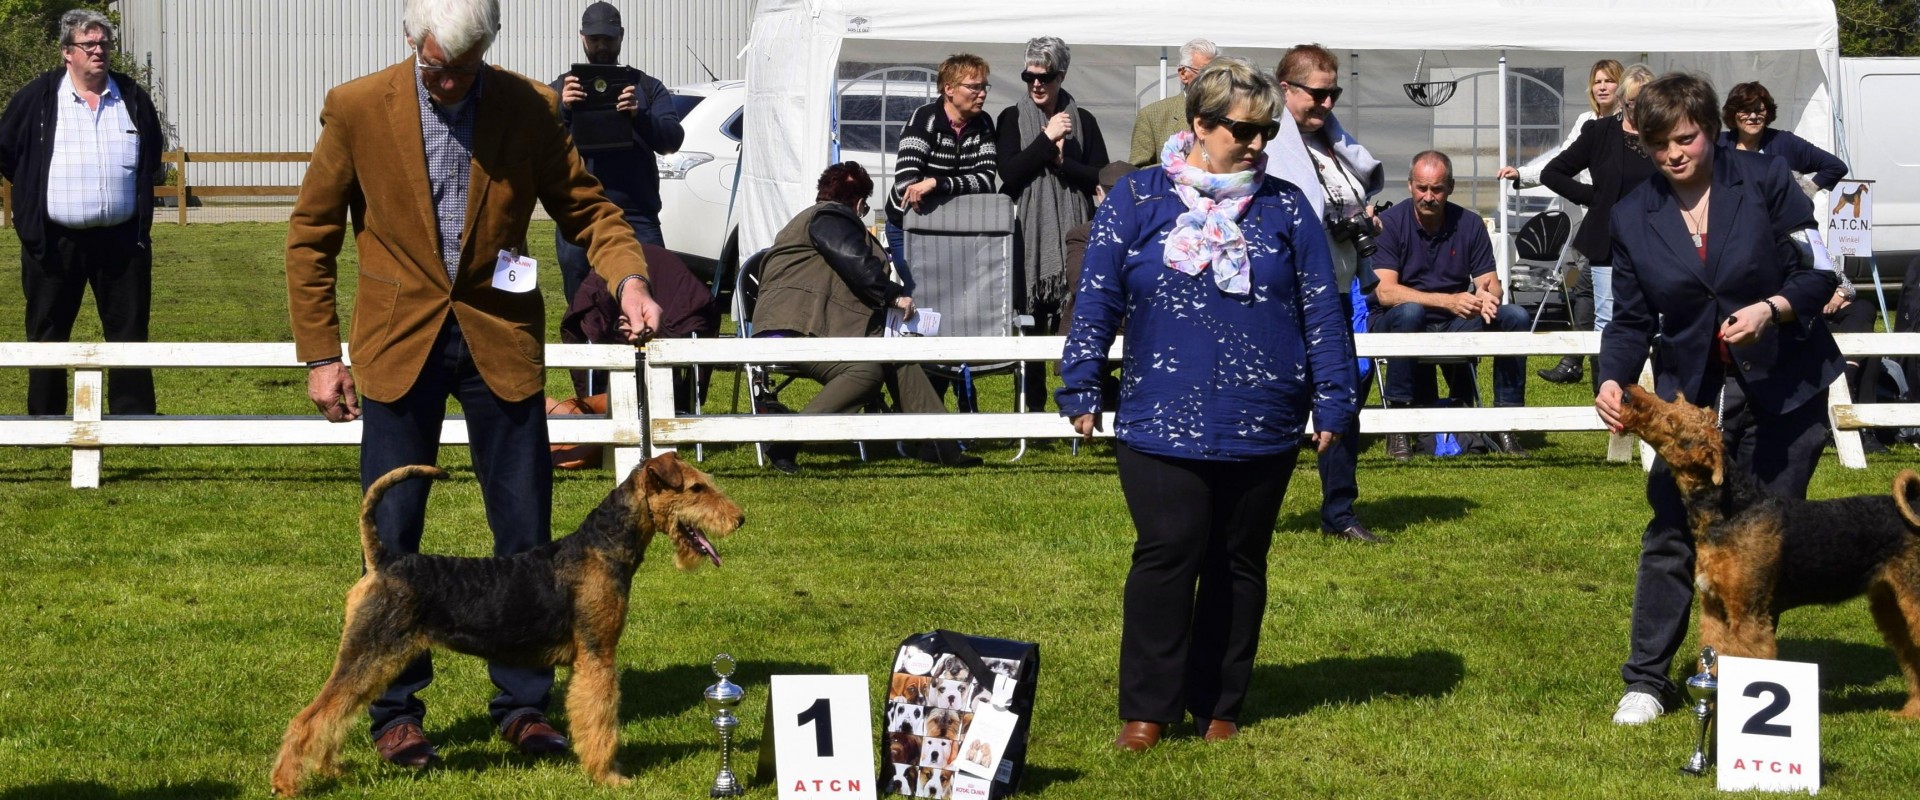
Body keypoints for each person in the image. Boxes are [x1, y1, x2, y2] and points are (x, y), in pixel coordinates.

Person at [284, 0, 664, 768]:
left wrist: (629, 279)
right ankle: (396, 714)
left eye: (464, 66)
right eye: (436, 66)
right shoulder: (356, 107)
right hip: (398, 339)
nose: (450, 81)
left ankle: (522, 707)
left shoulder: (529, 106)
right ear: (410, 42)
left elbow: (587, 209)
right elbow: (311, 235)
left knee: (527, 538)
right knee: (394, 540)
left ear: (488, 47)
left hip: (500, 338)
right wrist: (322, 355)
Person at [1059, 59, 1356, 752]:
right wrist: (1080, 383)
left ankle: (1219, 702)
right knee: (1167, 554)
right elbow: (1096, 296)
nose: (1256, 144)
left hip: (1264, 415)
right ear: (1199, 123)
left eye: (1267, 132)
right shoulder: (1137, 198)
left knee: (1239, 561)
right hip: (1159, 413)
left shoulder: (1287, 207)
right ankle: (1147, 709)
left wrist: (1335, 399)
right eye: (1242, 130)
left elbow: (1322, 309)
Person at [1593, 72, 1843, 726]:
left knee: (1761, 544)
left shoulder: (1767, 178)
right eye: (1658, 144)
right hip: (1695, 402)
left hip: (1784, 387)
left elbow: (1819, 270)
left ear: (1710, 128)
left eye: (1685, 139)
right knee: (1670, 532)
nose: (1673, 154)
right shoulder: (1631, 215)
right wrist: (1612, 377)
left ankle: (1745, 682)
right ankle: (1647, 681)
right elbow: (1629, 320)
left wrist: (1772, 307)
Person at [753, 161, 982, 474]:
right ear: (860, 203)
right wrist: (892, 295)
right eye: (864, 208)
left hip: (814, 325)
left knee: (897, 356)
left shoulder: (817, 217)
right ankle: (786, 442)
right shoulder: (830, 216)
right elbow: (855, 262)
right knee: (866, 371)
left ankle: (939, 445)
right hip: (792, 329)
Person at [0, 9, 164, 417]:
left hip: (122, 241)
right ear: (66, 52)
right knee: (47, 332)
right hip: (54, 241)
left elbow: (152, 153)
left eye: (104, 43)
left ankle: (133, 418)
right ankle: (45, 419)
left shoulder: (132, 97)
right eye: (88, 44)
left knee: (129, 332)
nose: (98, 51)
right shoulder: (36, 98)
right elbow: (7, 152)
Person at [1265, 43, 1385, 543]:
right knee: (1276, 403)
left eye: (1333, 92)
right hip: (1280, 298)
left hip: (1333, 295)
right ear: (1285, 88)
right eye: (1317, 93)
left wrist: (1362, 218)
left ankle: (1340, 512)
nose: (1327, 103)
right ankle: (1251, 510)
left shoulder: (1335, 145)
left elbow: (1346, 199)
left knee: (1341, 403)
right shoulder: (1264, 145)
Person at [1371, 151, 1532, 458]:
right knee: (1410, 312)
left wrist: (1488, 296)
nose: (1428, 197)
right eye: (1422, 188)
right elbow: (1385, 293)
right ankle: (1398, 426)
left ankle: (1506, 423)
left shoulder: (1470, 223)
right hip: (1399, 321)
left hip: (1454, 319)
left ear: (1451, 187)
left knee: (1515, 316)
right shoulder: (1390, 223)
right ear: (1409, 185)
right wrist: (1448, 301)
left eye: (1437, 189)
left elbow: (1491, 284)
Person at [997, 36, 1108, 412]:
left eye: (1044, 77)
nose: (1036, 84)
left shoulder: (1084, 121)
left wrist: (1063, 163)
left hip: (1074, 237)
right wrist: (1046, 139)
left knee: (1074, 316)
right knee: (1030, 322)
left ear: (1061, 76)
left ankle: (1077, 401)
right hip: (1028, 237)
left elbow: (1099, 176)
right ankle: (1031, 408)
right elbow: (1010, 174)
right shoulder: (1011, 118)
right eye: (1029, 76)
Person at [549, 1, 685, 303]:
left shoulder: (646, 88)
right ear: (582, 37)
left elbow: (672, 140)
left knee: (650, 301)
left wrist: (640, 115)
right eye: (594, 39)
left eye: (608, 39)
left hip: (637, 214)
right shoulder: (561, 88)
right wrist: (562, 109)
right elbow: (537, 141)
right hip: (579, 214)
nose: (601, 46)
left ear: (621, 36)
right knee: (582, 308)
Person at [1536, 63, 1659, 385]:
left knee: (1658, 317)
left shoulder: (1664, 134)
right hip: (1609, 241)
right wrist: (1596, 197)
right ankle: (1608, 393)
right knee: (1607, 318)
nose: (1638, 111)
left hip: (1657, 241)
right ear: (1622, 100)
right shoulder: (1600, 132)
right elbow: (1552, 173)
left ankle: (1656, 395)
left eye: (1645, 103)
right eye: (1631, 103)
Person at [885, 53, 997, 270]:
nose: (982, 94)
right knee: (919, 290)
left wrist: (936, 183)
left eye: (984, 87)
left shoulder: (984, 123)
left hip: (958, 228)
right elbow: (907, 184)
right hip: (909, 227)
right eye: (974, 87)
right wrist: (958, 186)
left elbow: (986, 181)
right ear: (949, 89)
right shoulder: (923, 119)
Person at [1497, 59, 1622, 189]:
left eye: (1609, 81)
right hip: (1593, 199)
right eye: (1597, 82)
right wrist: (1521, 174)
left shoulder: (1630, 121)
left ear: (1621, 86)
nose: (1602, 87)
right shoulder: (1585, 120)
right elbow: (1561, 161)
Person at [1719, 81, 1849, 192]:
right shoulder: (1718, 143)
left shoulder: (1784, 142)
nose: (1753, 116)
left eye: (1759, 110)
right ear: (1733, 114)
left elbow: (1835, 167)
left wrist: (1805, 192)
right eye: (1746, 111)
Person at [1128, 38, 1217, 167]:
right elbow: (1138, 170)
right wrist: (1177, 167)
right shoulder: (1152, 116)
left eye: (1217, 73)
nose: (1213, 79)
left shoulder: (1232, 112)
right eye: (1204, 72)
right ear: (1183, 74)